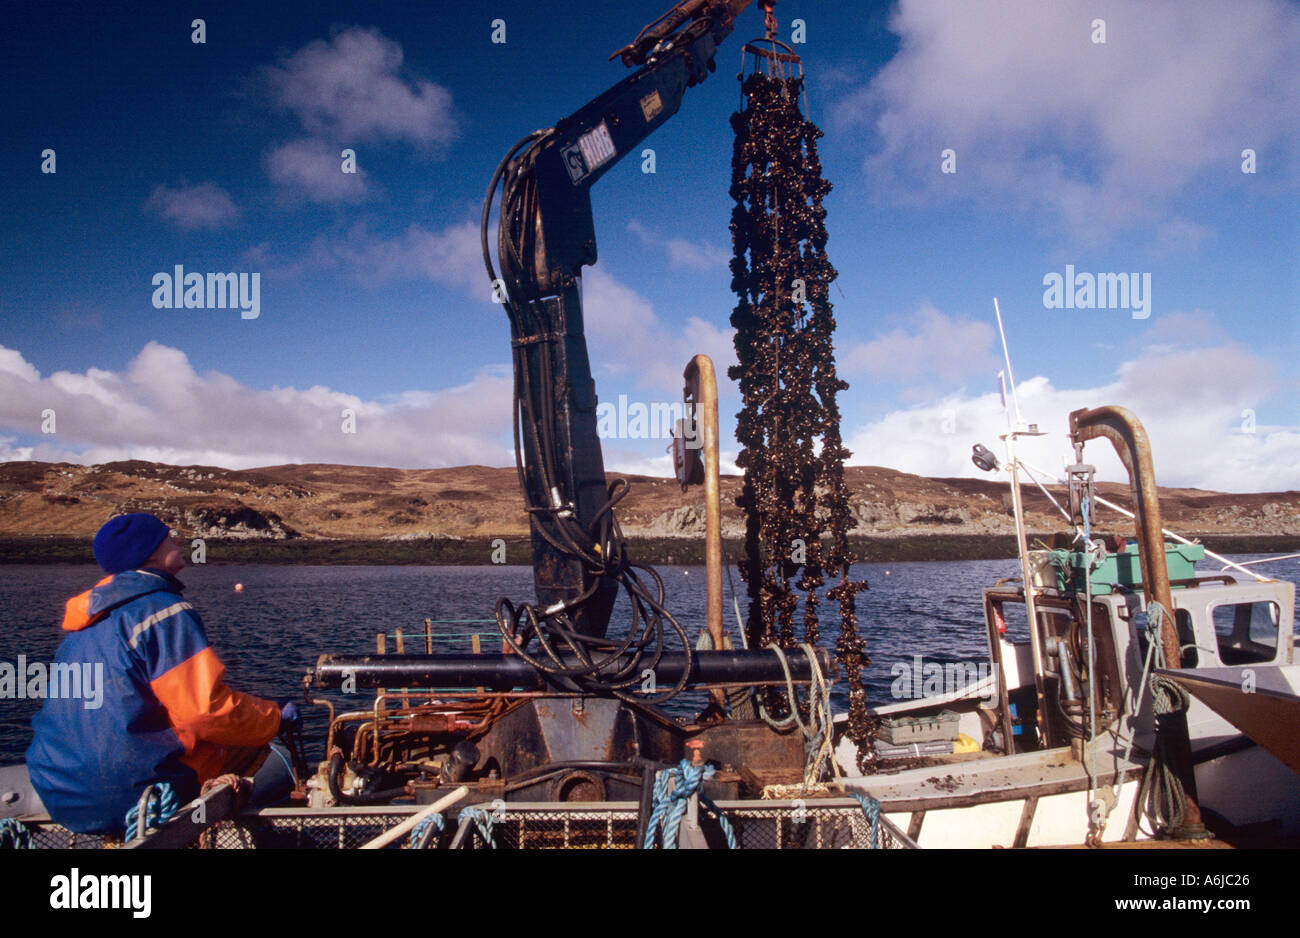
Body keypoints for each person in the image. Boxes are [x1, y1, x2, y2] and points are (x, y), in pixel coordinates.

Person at [26, 512, 301, 835]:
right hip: (137, 794)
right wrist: (274, 716)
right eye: (170, 537)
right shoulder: (163, 610)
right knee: (263, 747)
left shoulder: (81, 628)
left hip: (62, 795)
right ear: (148, 551)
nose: (180, 541)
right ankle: (245, 837)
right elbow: (203, 712)